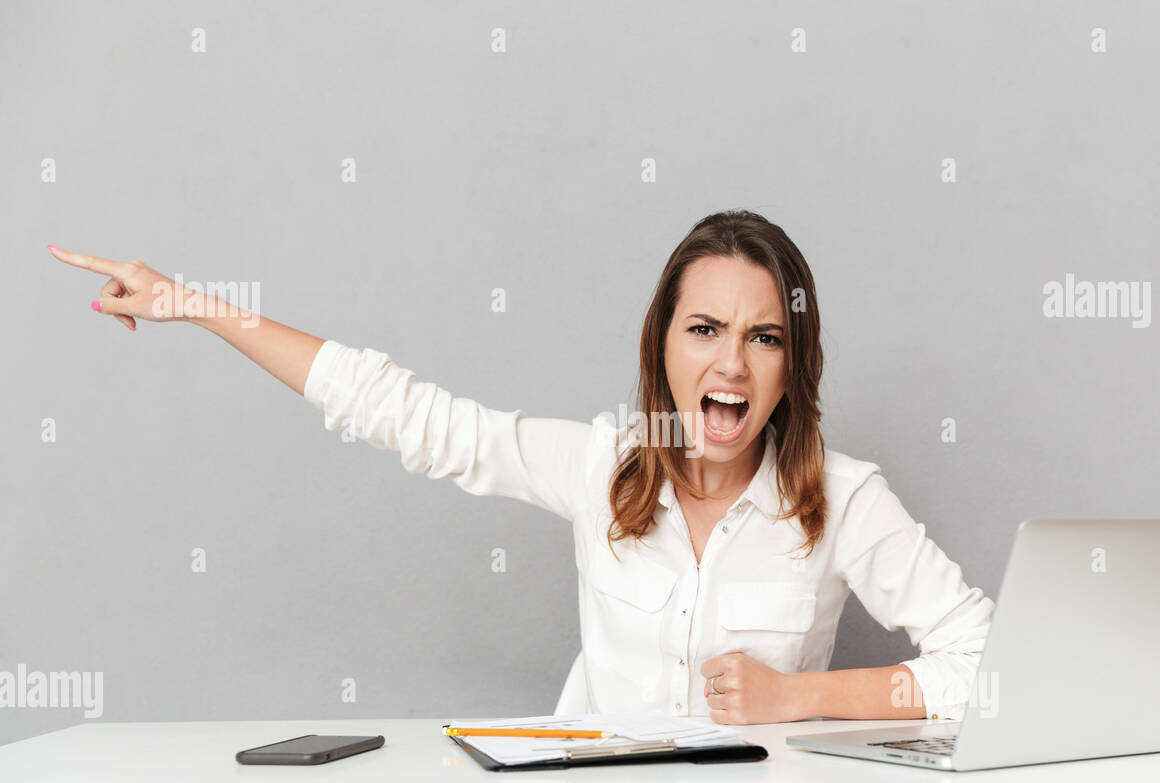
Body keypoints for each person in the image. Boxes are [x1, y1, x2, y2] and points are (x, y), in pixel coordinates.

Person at [47, 209, 994, 725]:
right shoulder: (600, 464)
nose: (732, 364)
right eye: (705, 329)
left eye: (765, 337)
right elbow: (406, 414)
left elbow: (991, 668)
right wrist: (194, 305)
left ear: (794, 363)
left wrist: (800, 699)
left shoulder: (844, 498)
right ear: (663, 346)